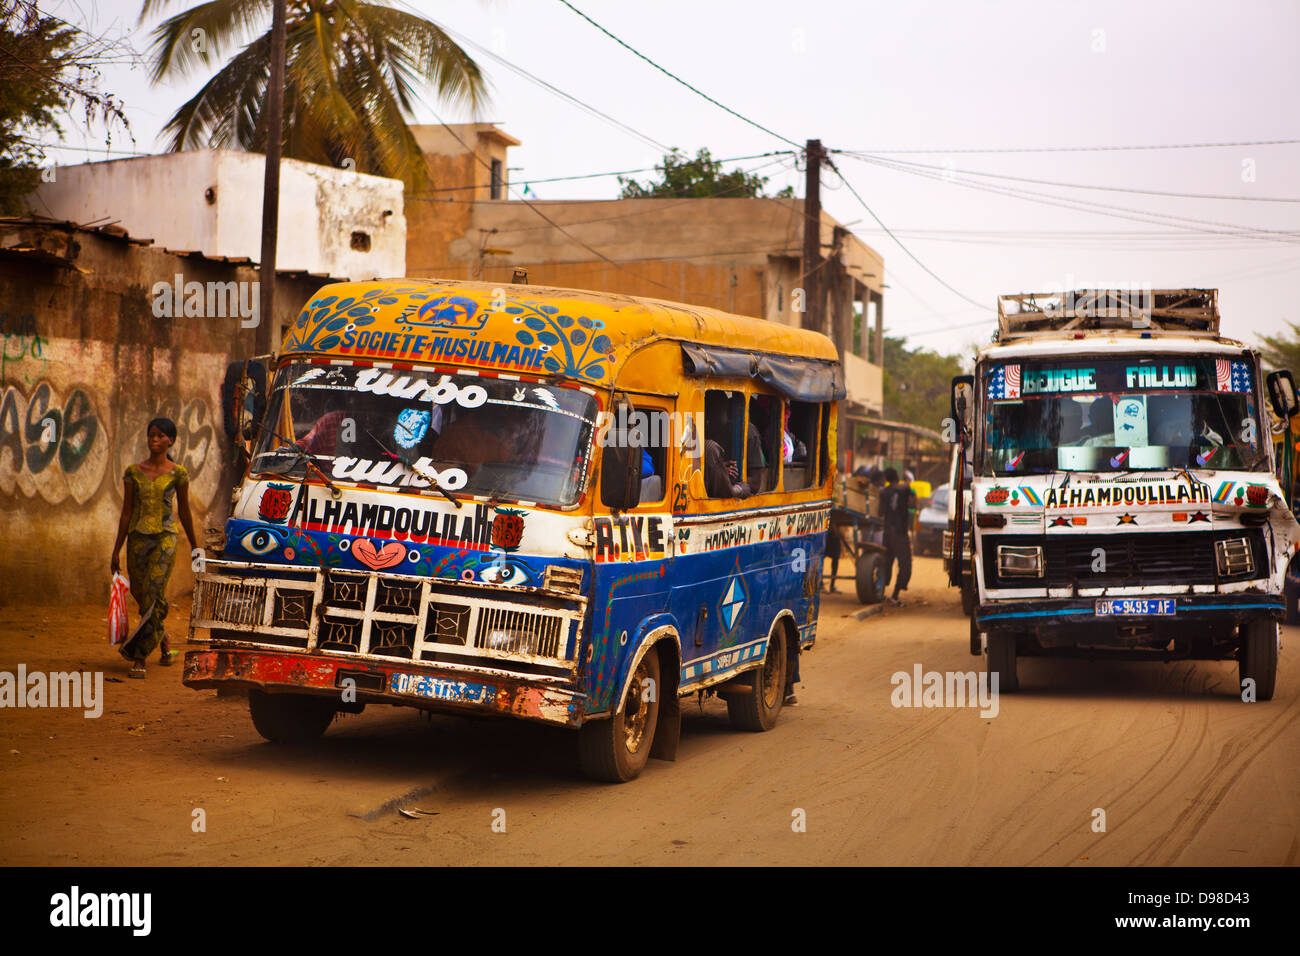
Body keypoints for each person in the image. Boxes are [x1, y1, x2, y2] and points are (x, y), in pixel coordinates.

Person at [110, 418, 199, 678]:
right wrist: (116, 549)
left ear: (170, 440)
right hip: (137, 539)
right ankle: (164, 640)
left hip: (165, 539)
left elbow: (184, 511)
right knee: (143, 594)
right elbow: (126, 514)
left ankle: (139, 657)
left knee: (153, 590)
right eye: (151, 435)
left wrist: (195, 546)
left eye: (160, 436)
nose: (155, 439)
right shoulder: (133, 472)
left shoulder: (178, 473)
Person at [877, 467, 916, 606]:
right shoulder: (905, 489)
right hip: (900, 533)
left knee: (887, 562)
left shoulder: (884, 492)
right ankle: (895, 594)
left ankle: (881, 591)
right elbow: (912, 505)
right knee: (905, 564)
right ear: (897, 477)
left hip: (887, 532)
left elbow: (880, 512)